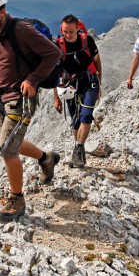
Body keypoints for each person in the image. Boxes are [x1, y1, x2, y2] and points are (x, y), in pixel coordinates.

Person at [0, 0, 61, 222]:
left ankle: (17, 199)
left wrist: (32, 80)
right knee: (8, 142)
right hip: (3, 97)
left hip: (21, 99)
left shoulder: (21, 30)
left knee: (7, 149)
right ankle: (46, 159)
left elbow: (54, 54)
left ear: (2, 12)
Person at [52, 14, 102, 168]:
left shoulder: (87, 41)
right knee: (75, 121)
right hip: (70, 85)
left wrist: (99, 85)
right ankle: (78, 151)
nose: (68, 35)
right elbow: (55, 73)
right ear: (61, 29)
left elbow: (97, 61)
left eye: (71, 32)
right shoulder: (58, 45)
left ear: (77, 29)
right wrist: (56, 98)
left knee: (86, 116)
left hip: (89, 81)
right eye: (65, 32)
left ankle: (79, 148)